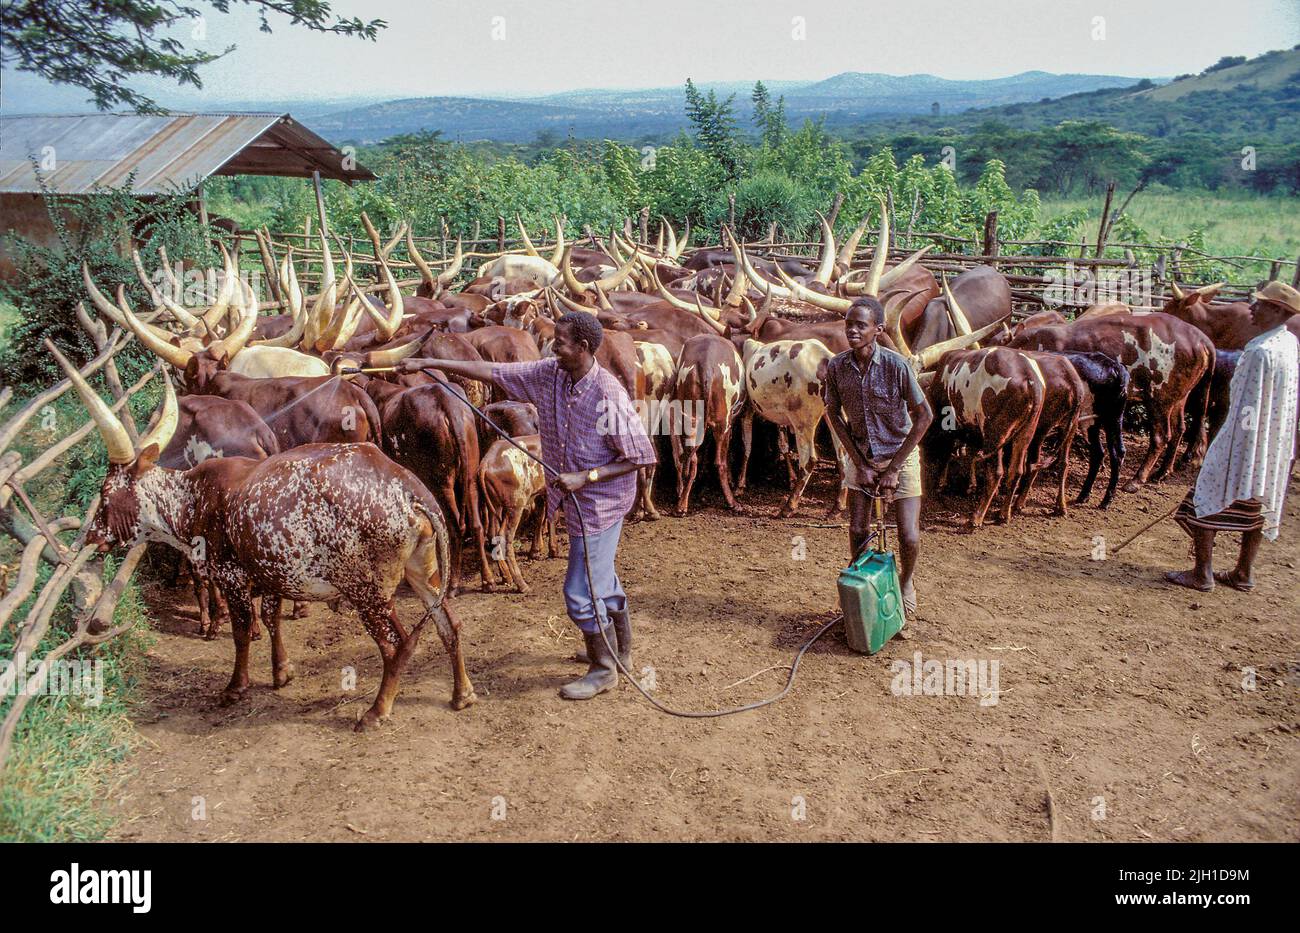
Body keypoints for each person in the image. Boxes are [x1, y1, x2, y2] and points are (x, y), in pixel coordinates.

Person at [397, 312, 657, 699]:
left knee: (579, 592)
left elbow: (641, 456)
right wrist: (430, 363)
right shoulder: (551, 374)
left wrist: (585, 477)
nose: (554, 346)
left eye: (562, 341)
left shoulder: (609, 394)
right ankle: (620, 652)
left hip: (600, 503)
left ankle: (604, 670)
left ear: (583, 348)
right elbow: (495, 372)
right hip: (577, 500)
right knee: (601, 580)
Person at [1165, 280, 1299, 592]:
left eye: (1261, 304)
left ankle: (1202, 573)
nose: (1251, 308)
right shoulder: (1289, 344)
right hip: (1275, 442)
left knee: (1204, 495)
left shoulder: (1258, 351)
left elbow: (1244, 408)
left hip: (1245, 439)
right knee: (1259, 498)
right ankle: (1243, 572)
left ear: (1278, 310)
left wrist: (1222, 445)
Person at [823, 297, 933, 616]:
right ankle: (864, 585)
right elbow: (833, 412)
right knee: (858, 529)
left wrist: (894, 468)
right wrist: (859, 463)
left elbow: (924, 415)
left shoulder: (897, 365)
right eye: (849, 324)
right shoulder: (837, 366)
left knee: (909, 535)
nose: (853, 330)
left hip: (901, 455)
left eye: (861, 325)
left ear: (878, 330)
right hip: (863, 457)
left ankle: (906, 581)